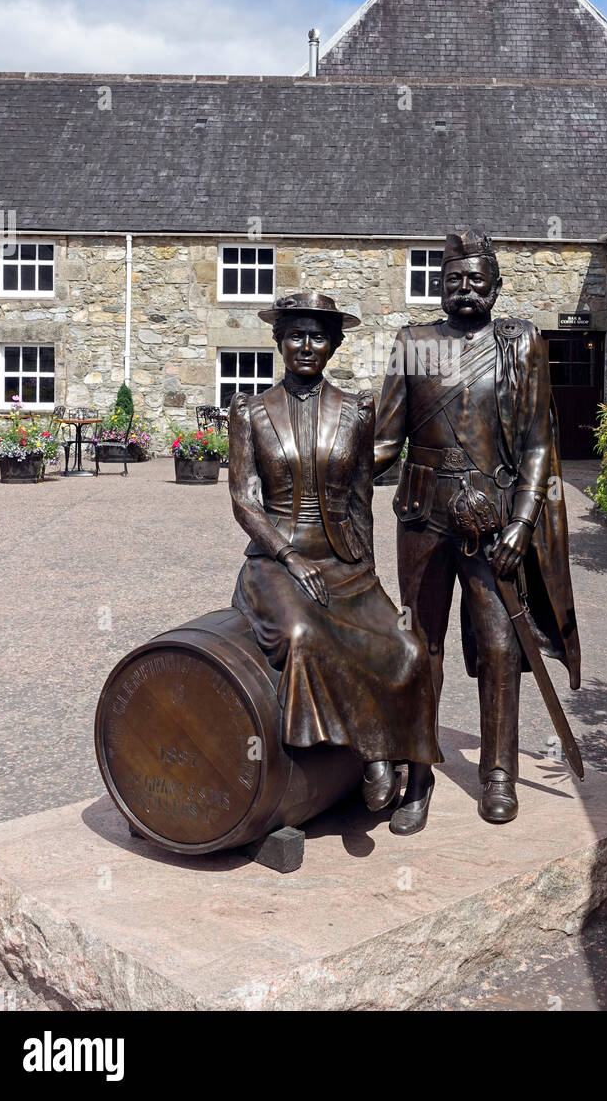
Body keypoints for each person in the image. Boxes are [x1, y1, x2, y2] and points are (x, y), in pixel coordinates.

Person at [374, 230, 581, 830]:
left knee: (499, 645)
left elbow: (540, 444)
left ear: (495, 286)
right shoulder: (414, 344)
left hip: (494, 518)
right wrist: (330, 472)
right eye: (453, 279)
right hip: (424, 515)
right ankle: (418, 775)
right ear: (440, 287)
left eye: (476, 279)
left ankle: (498, 772)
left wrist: (521, 523)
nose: (465, 288)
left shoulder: (522, 345)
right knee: (422, 644)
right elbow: (387, 439)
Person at [229, 291, 442, 833]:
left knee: (408, 647)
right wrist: (287, 555)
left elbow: (361, 499)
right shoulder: (250, 412)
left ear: (334, 345)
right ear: (278, 342)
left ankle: (418, 779)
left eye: (318, 336)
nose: (306, 345)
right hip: (276, 563)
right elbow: (243, 500)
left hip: (345, 563)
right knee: (304, 635)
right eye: (295, 334)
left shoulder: (357, 410)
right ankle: (373, 755)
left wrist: (369, 578)